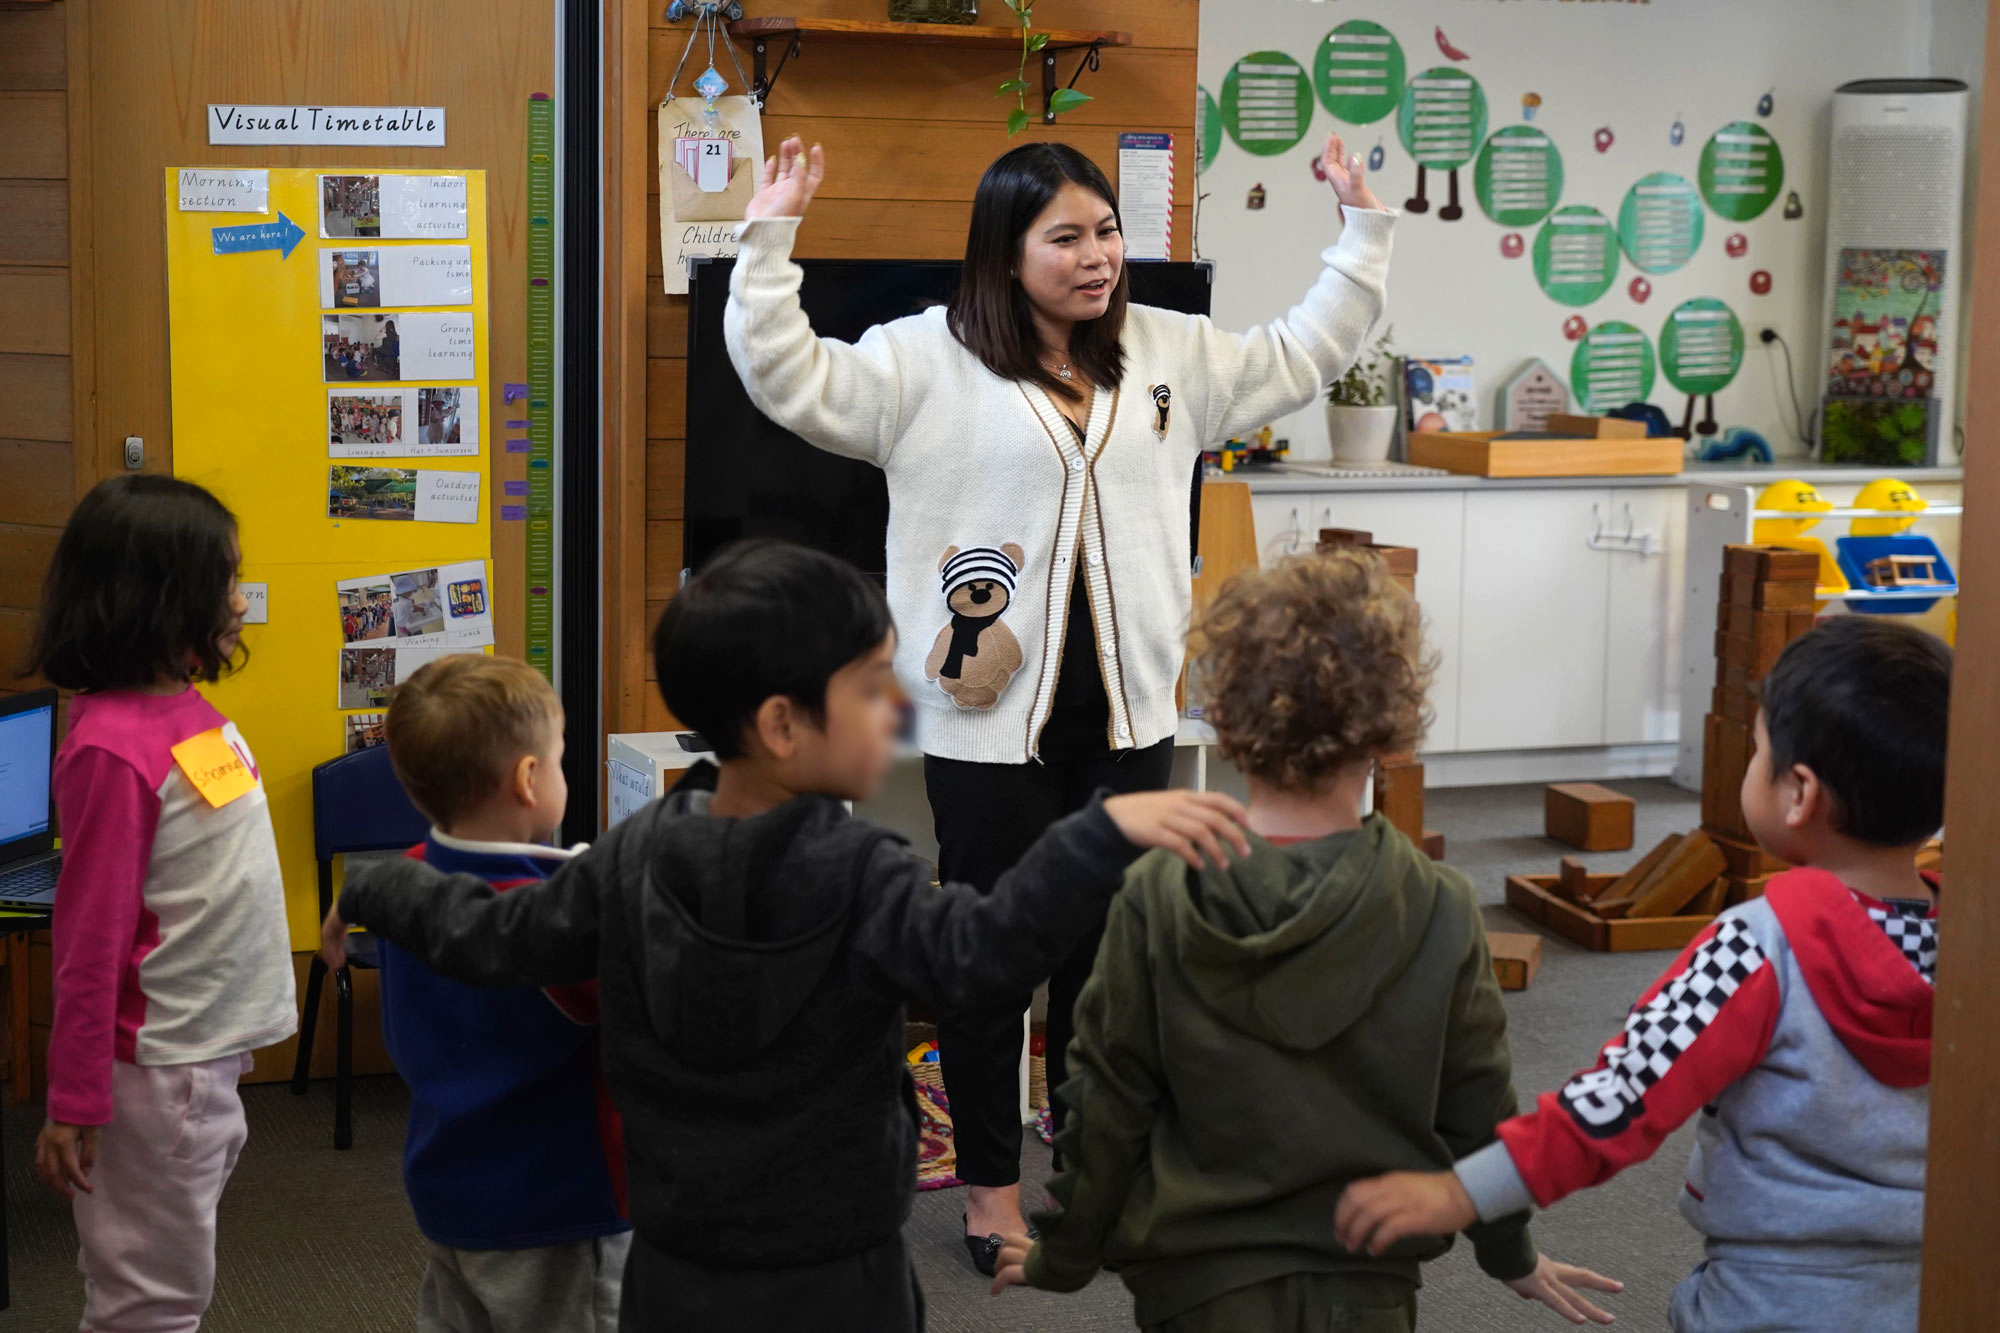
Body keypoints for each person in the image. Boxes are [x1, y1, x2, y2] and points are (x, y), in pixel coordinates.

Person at [726, 128, 1395, 1269]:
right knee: (989, 963)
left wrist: (1360, 232)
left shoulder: (1168, 350)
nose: (1098, 256)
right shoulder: (922, 361)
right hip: (986, 728)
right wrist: (768, 236)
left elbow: (1306, 350)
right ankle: (991, 1192)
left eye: (1108, 232)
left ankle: (1089, 1172)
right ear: (1006, 250)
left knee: (1108, 960)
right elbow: (786, 375)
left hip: (1128, 721)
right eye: (1067, 237)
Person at [320, 540, 1252, 1333]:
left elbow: (488, 935)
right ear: (779, 724)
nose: (895, 708)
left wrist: (375, 884)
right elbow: (983, 954)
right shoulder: (865, 872)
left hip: (676, 1262)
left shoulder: (631, 856)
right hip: (837, 1268)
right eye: (871, 687)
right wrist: (1097, 833)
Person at [990, 551, 1621, 1331]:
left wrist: (1066, 1255)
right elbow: (1479, 1104)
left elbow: (1108, 1103)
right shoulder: (1442, 906)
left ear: (1225, 719)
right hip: (1370, 1290)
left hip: (1197, 1290)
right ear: (1391, 727)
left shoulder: (1157, 894)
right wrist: (1509, 1251)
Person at [1336, 616, 1952, 1331]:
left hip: (1767, 1305)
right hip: (1935, 1295)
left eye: (1758, 751)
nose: (1751, 763)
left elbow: (1623, 1094)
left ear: (1799, 795)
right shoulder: (1975, 949)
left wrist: (1464, 1191)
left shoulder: (1755, 948)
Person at [24, 475, 296, 1333]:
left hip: (199, 1053)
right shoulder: (111, 746)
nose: (241, 599)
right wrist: (74, 1098)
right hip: (155, 1065)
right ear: (159, 597)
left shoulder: (184, 709)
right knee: (150, 1304)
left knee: (156, 1274)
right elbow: (89, 938)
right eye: (226, 580)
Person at [373, 653, 630, 1333]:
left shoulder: (408, 881)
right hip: (558, 1203)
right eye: (560, 759)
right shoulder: (545, 920)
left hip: (450, 1184)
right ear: (528, 778)